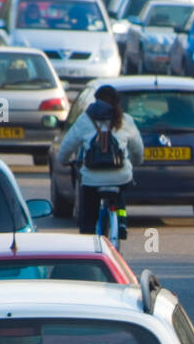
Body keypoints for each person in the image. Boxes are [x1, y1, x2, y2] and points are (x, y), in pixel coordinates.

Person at [55, 84, 143, 240]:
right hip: (120, 175)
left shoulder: (85, 119)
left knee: (89, 212)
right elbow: (137, 149)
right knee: (120, 189)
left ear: (95, 100)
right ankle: (121, 222)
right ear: (117, 102)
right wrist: (136, 162)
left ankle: (88, 237)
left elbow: (67, 146)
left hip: (91, 179)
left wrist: (62, 160)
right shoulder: (125, 120)